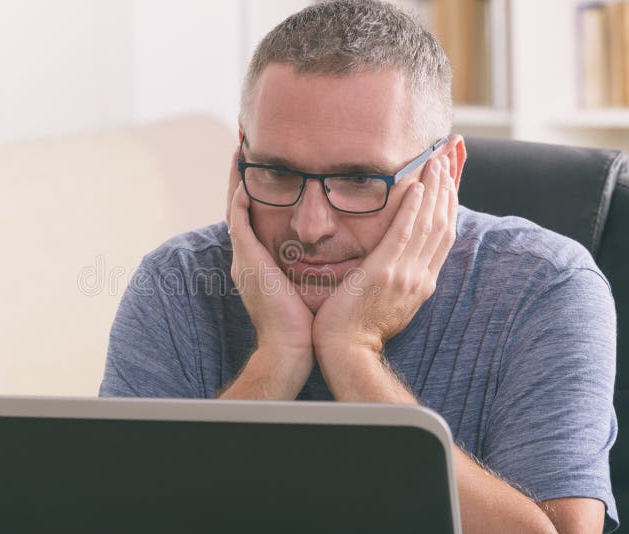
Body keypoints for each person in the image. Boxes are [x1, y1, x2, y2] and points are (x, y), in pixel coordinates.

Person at [99, 1, 618, 532]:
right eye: (277, 172)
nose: (310, 226)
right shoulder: (175, 284)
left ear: (445, 171)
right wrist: (277, 359)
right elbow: (115, 517)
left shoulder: (545, 287)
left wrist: (354, 355)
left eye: (359, 180)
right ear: (241, 156)